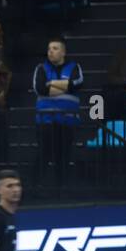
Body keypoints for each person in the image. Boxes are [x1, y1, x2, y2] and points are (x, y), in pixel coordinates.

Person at [32, 37, 83, 187]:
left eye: (55, 48)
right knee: (43, 155)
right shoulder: (40, 68)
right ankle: (36, 187)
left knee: (64, 156)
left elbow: (77, 84)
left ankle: (63, 189)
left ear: (63, 52)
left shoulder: (75, 67)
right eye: (49, 49)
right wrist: (64, 85)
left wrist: (51, 86)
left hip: (68, 120)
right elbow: (40, 88)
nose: (51, 52)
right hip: (45, 120)